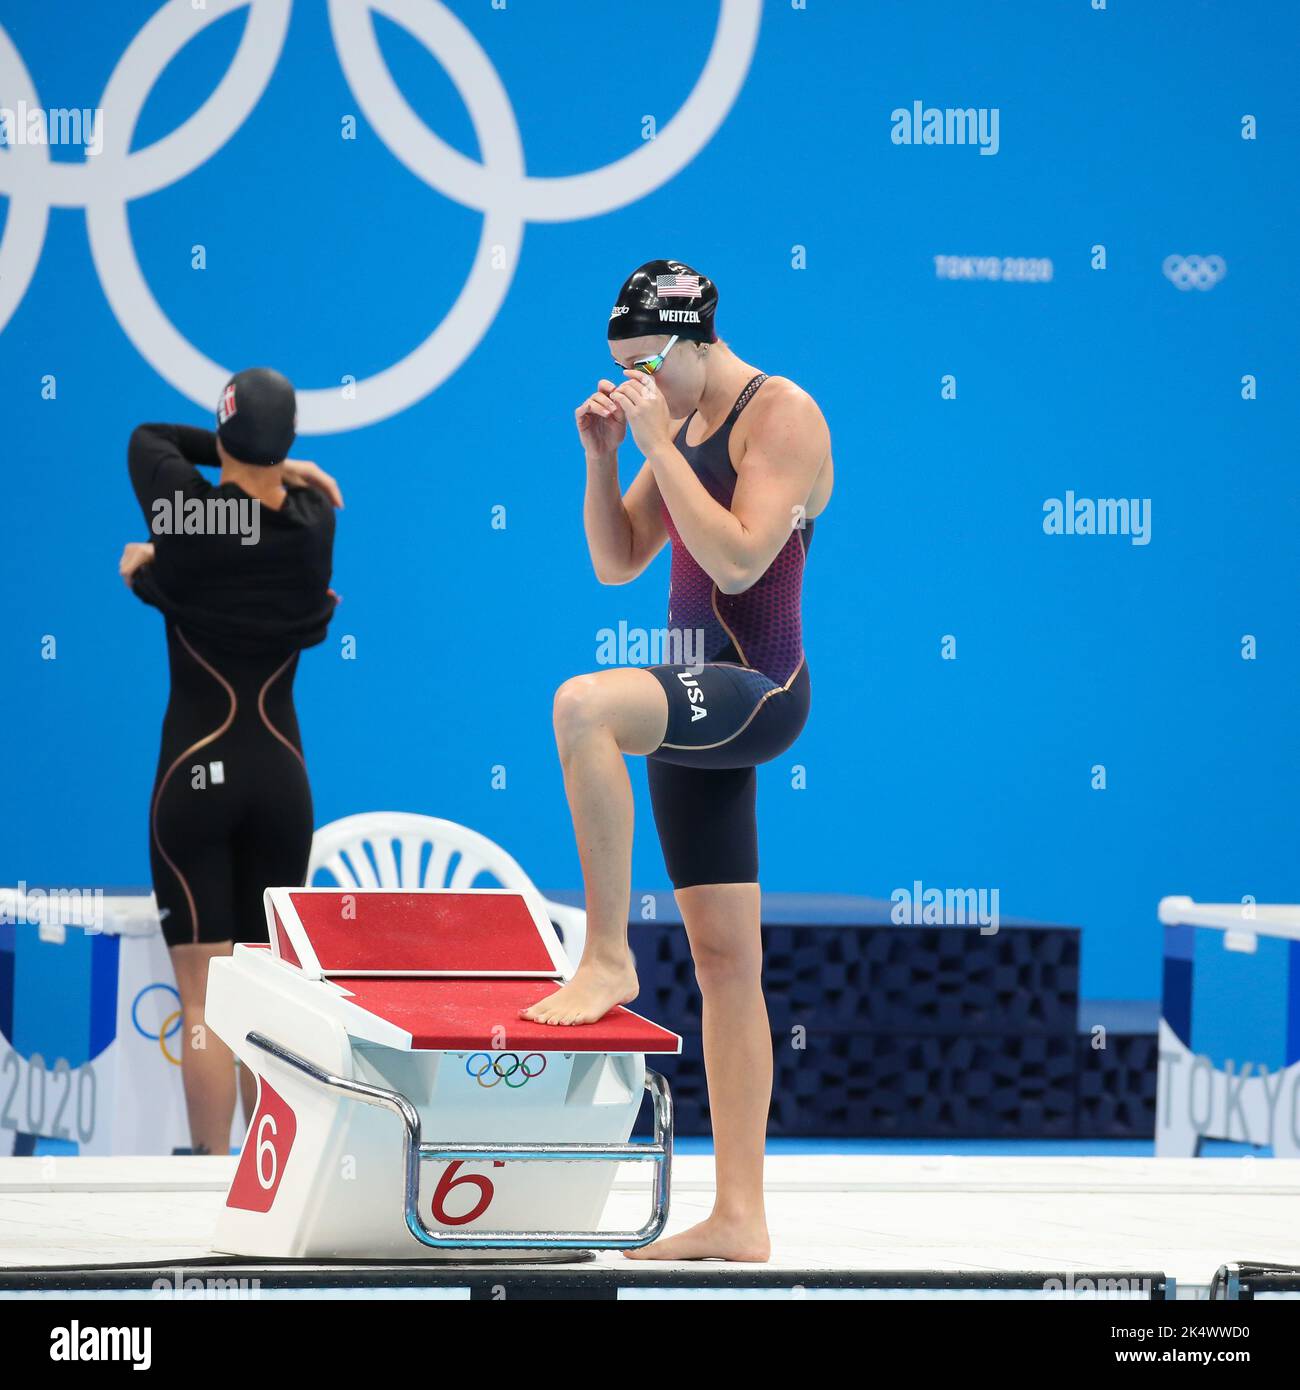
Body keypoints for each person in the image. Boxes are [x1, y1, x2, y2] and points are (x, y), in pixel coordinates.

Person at [522, 260, 833, 1261]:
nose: (637, 384)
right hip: (691, 694)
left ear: (701, 339)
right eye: (622, 371)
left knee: (583, 707)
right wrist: (607, 456)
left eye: (649, 365)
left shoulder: (778, 416)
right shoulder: (673, 418)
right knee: (724, 962)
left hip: (760, 693)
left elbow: (742, 557)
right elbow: (618, 561)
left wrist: (657, 437)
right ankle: (739, 1218)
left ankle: (607, 955)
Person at [119, 367, 342, 1156]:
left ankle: (203, 1181)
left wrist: (150, 572)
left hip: (194, 775)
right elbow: (251, 545)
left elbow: (147, 441)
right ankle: (267, 1179)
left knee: (205, 997)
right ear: (286, 446)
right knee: (264, 995)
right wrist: (283, 472)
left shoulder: (187, 519)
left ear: (220, 435)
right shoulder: (316, 525)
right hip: (282, 780)